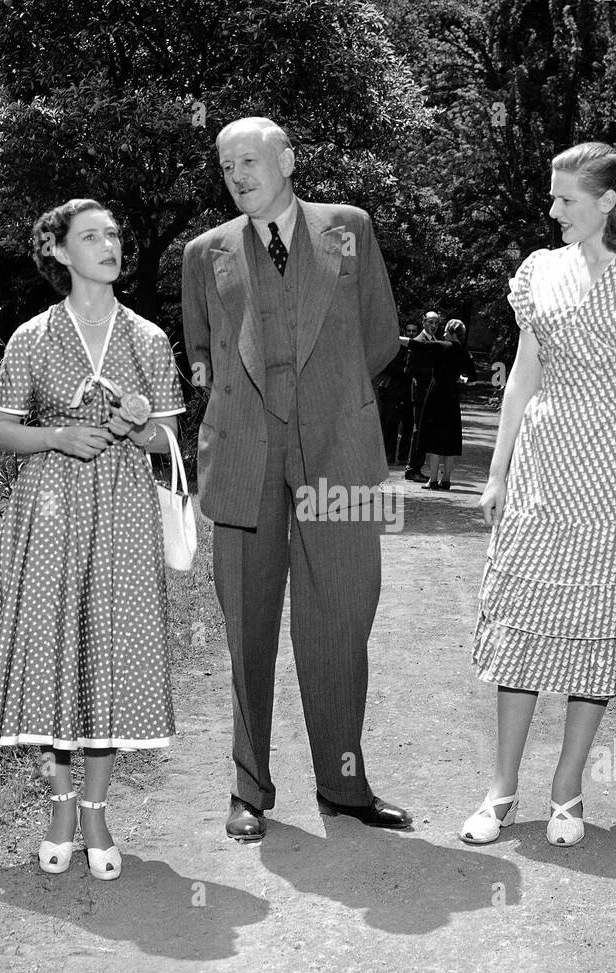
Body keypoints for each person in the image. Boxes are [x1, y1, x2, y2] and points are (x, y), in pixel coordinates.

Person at [462, 141, 616, 848]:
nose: (553, 209)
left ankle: (567, 788)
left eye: (565, 198)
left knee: (595, 623)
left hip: (614, 460)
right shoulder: (540, 271)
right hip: (543, 457)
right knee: (524, 624)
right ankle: (501, 788)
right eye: (551, 196)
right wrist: (499, 470)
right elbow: (520, 377)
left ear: (609, 200)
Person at [182, 116, 413, 841]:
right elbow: (202, 355)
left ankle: (344, 785)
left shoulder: (349, 228)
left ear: (288, 157)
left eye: (250, 159)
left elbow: (380, 336)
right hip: (245, 454)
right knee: (247, 626)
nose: (239, 174)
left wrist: (329, 401)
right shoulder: (204, 253)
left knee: (341, 618)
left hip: (338, 452)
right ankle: (249, 788)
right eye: (226, 166)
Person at [0, 198, 185, 881]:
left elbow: (169, 441)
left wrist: (139, 423)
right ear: (58, 251)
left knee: (107, 649)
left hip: (121, 509)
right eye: (90, 236)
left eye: (113, 234)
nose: (107, 244)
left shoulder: (149, 339)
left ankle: (96, 809)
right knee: (56, 647)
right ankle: (60, 807)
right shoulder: (32, 335)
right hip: (50, 507)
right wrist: (58, 434)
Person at [403, 317, 470, 489]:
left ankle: (432, 479)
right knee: (450, 438)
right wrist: (460, 378)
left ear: (452, 332)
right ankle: (446, 479)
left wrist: (394, 338)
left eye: (447, 330)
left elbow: (416, 345)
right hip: (452, 396)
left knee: (433, 437)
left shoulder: (441, 346)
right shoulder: (464, 352)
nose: (444, 333)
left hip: (437, 393)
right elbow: (472, 375)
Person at [402, 310, 441, 482]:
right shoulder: (418, 342)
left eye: (437, 323)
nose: (433, 326)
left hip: (431, 394)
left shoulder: (435, 342)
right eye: (431, 322)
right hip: (420, 393)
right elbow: (409, 369)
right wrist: (433, 373)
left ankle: (416, 467)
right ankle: (412, 468)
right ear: (424, 322)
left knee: (425, 431)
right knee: (418, 431)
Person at [375, 321, 417, 463]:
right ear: (405, 332)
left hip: (411, 396)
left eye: (414, 331)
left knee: (408, 428)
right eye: (409, 331)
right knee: (391, 425)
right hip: (394, 393)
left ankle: (403, 457)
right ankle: (390, 455)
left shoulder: (418, 349)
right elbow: (387, 365)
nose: (411, 334)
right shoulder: (396, 348)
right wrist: (405, 370)